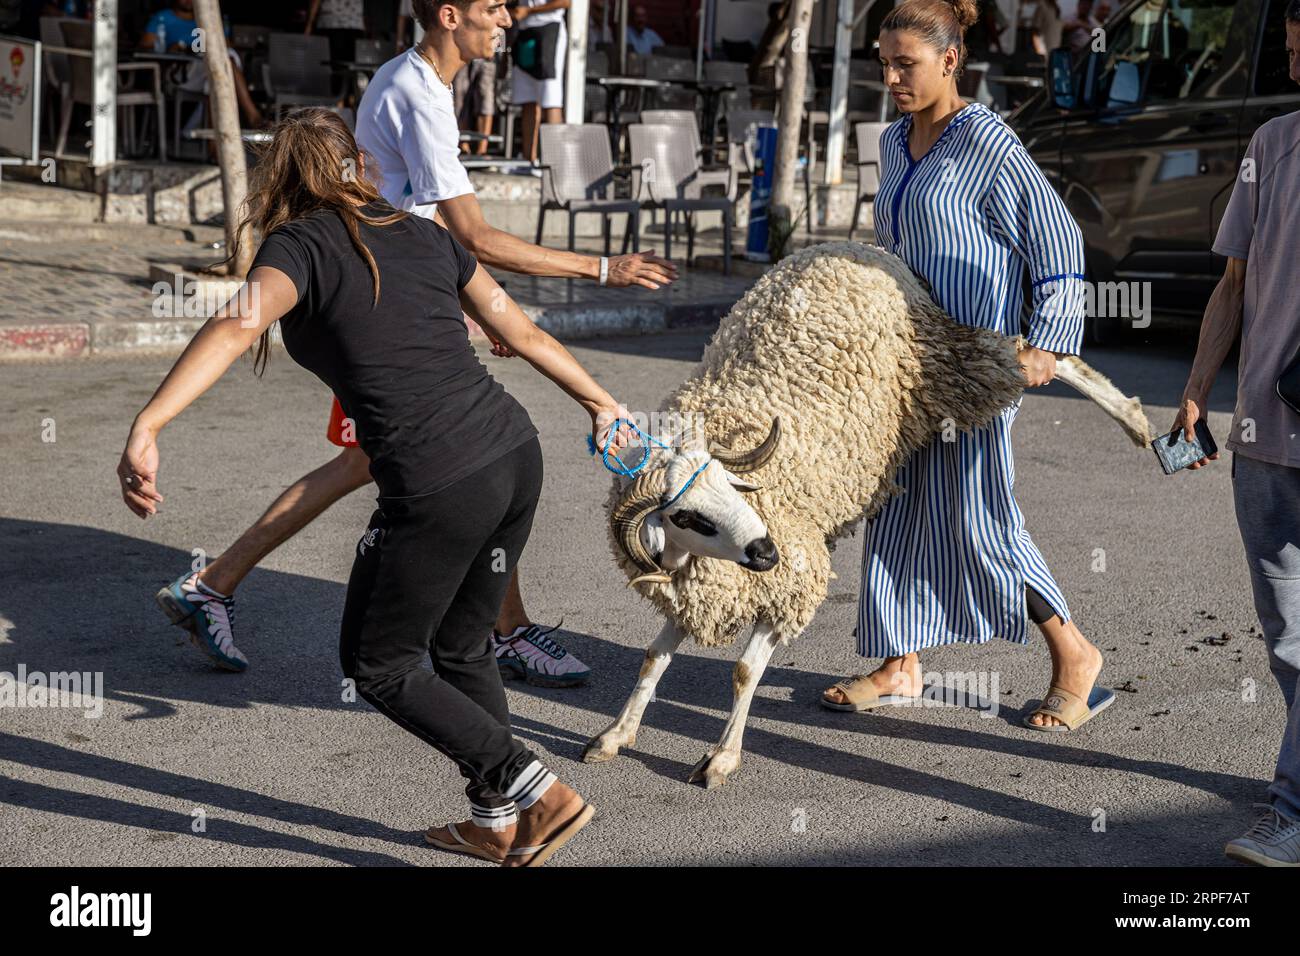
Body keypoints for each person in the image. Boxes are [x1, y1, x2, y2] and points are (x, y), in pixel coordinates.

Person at [121, 108, 624, 866]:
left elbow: (234, 326)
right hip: (514, 454)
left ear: (280, 180)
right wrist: (600, 402)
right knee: (462, 647)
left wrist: (149, 423)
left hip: (437, 479)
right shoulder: (425, 234)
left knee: (378, 665)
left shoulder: (297, 246)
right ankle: (496, 821)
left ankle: (536, 790)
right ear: (359, 164)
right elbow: (521, 333)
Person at [154, 0, 676, 687]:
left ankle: (217, 585)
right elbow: (473, 234)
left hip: (404, 296)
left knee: (395, 461)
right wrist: (602, 268)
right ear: (451, 15)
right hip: (383, 312)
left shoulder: (421, 80)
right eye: (494, 8)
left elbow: (438, 233)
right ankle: (500, 631)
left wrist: (468, 306)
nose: (506, 21)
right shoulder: (417, 94)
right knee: (457, 454)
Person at [821, 0, 1112, 733]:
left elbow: (1059, 245)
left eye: (906, 64)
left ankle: (1076, 655)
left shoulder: (987, 141)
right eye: (885, 64)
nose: (892, 78)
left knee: (979, 519)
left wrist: (1048, 341)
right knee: (894, 508)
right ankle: (899, 663)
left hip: (978, 368)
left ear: (949, 60)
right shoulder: (894, 142)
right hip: (907, 365)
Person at [1171, 0, 1300, 868]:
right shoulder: (1272, 145)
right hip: (1263, 435)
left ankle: (1290, 810)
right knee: (1288, 637)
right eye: (1289, 49)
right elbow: (1234, 283)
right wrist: (1195, 392)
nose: (1293, 65)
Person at [139, 0, 263, 129]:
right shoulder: (162, 18)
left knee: (221, 66)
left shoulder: (208, 19)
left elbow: (225, 45)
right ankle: (252, 117)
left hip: (206, 70)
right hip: (177, 72)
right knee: (219, 67)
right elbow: (146, 48)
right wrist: (172, 48)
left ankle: (214, 135)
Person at [509, 0, 569, 161]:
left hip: (549, 29)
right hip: (524, 32)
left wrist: (529, 11)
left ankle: (554, 163)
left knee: (551, 100)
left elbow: (565, 2)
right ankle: (528, 160)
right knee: (527, 100)